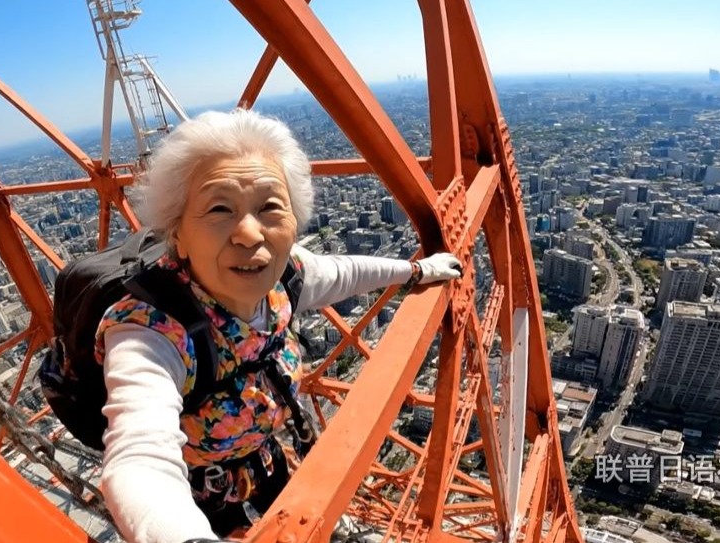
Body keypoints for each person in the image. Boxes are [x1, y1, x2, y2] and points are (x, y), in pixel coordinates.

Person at [96, 108, 462, 543]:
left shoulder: (286, 278)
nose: (249, 234)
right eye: (219, 208)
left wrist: (417, 271)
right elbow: (139, 455)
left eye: (270, 206)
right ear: (177, 235)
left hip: (268, 461)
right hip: (202, 500)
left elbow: (344, 272)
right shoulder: (150, 330)